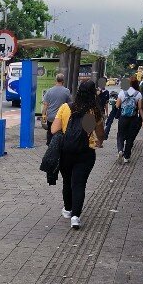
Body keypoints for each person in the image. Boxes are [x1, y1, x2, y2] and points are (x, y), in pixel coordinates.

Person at [50, 79, 105, 229]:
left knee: (67, 181)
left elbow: (54, 130)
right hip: (85, 153)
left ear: (78, 91)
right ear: (93, 93)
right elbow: (100, 134)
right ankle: (76, 216)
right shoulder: (94, 111)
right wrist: (100, 143)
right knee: (79, 183)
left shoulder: (66, 107)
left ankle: (68, 209)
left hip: (66, 151)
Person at [115, 77, 143, 163]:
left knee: (120, 135)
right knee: (130, 138)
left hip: (123, 117)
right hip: (133, 118)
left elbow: (117, 106)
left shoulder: (122, 92)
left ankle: (120, 150)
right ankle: (126, 157)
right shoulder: (138, 94)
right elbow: (140, 108)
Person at [41, 73, 71, 145]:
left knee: (50, 132)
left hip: (50, 117)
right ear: (63, 81)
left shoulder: (49, 91)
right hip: (61, 118)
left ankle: (50, 146)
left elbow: (45, 105)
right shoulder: (66, 91)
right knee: (60, 133)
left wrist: (43, 117)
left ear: (55, 80)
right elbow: (69, 104)